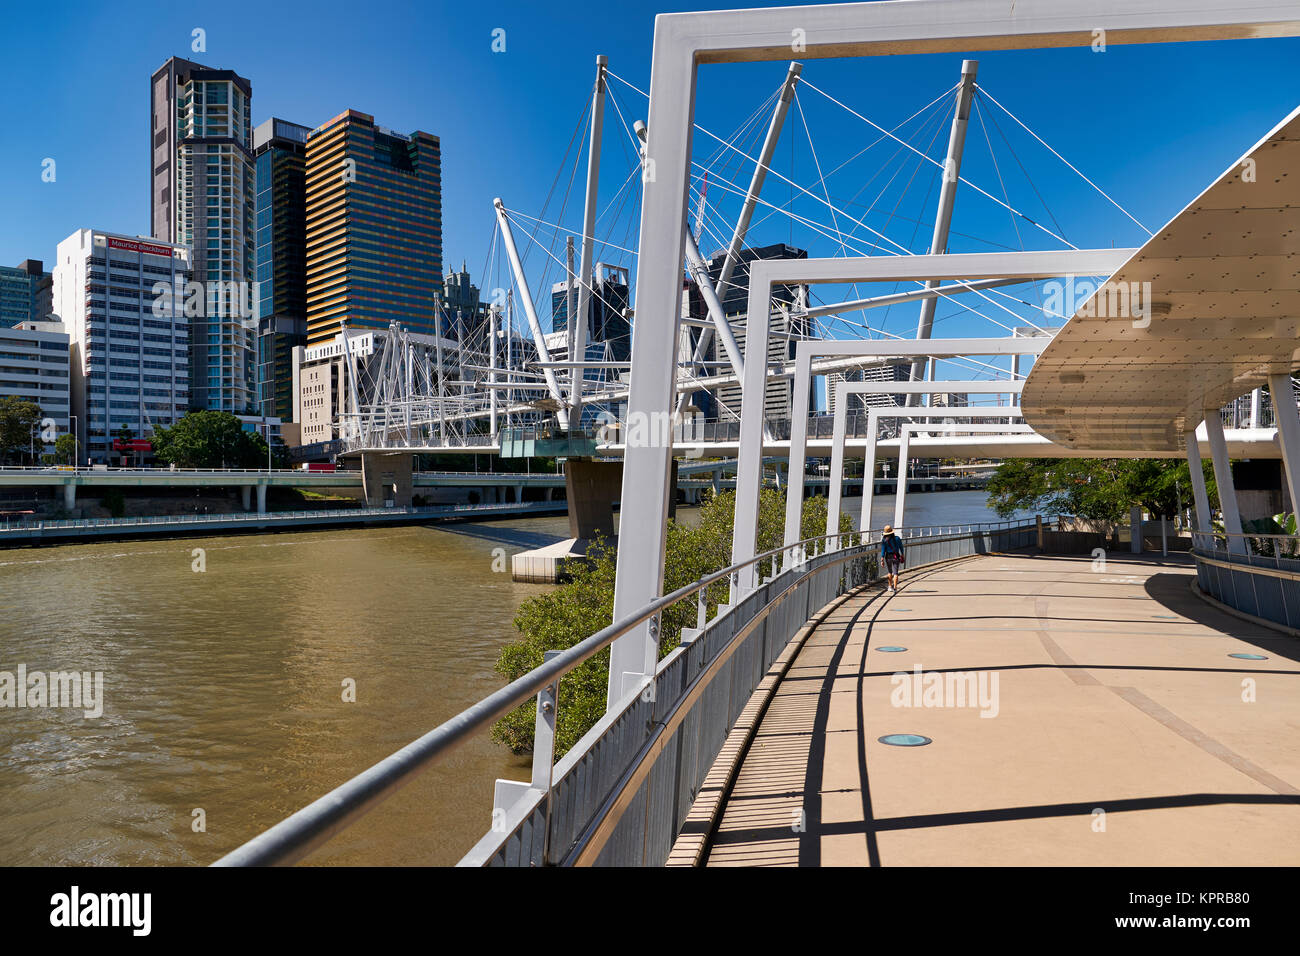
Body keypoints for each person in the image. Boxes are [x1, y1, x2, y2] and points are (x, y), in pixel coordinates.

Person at [881, 524, 905, 592]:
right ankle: (895, 587)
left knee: (889, 571)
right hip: (896, 556)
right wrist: (902, 554)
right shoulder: (897, 538)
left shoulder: (884, 540)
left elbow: (883, 550)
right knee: (896, 573)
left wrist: (882, 558)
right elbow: (901, 547)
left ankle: (889, 586)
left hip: (888, 556)